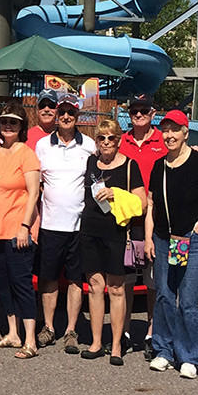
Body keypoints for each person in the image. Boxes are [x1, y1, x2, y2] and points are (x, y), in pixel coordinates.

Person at [145, 110, 198, 379]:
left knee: (188, 302)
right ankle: (164, 351)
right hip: (163, 239)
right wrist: (148, 237)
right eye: (165, 130)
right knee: (164, 296)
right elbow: (151, 203)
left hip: (193, 241)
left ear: (185, 133)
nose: (169, 135)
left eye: (174, 130)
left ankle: (189, 356)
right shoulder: (160, 165)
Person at [78, 119, 145, 366]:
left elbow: (142, 202)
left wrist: (116, 193)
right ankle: (96, 342)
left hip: (116, 234)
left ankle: (116, 344)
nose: (106, 143)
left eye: (111, 138)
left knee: (116, 289)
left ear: (119, 140)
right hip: (90, 231)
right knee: (95, 287)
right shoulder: (90, 162)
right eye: (101, 138)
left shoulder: (130, 165)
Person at [34, 92, 96, 354]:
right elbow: (35, 186)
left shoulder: (90, 146)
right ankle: (48, 327)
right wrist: (33, 222)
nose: (67, 117)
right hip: (50, 224)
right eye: (62, 113)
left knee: (74, 280)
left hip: (79, 226)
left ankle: (71, 330)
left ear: (77, 116)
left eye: (71, 113)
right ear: (56, 117)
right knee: (48, 279)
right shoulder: (42, 146)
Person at [0, 101, 40, 359]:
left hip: (18, 229)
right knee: (2, 283)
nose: (8, 126)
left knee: (21, 284)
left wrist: (25, 226)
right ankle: (13, 333)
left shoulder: (26, 154)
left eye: (13, 122)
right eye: (4, 121)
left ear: (21, 126)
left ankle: (30, 340)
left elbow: (33, 193)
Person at [119, 92, 166, 359]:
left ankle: (151, 332)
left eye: (143, 111)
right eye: (134, 110)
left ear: (152, 114)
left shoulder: (163, 141)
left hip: (156, 222)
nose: (138, 115)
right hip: (126, 222)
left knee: (152, 283)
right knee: (124, 280)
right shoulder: (120, 141)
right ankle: (123, 331)